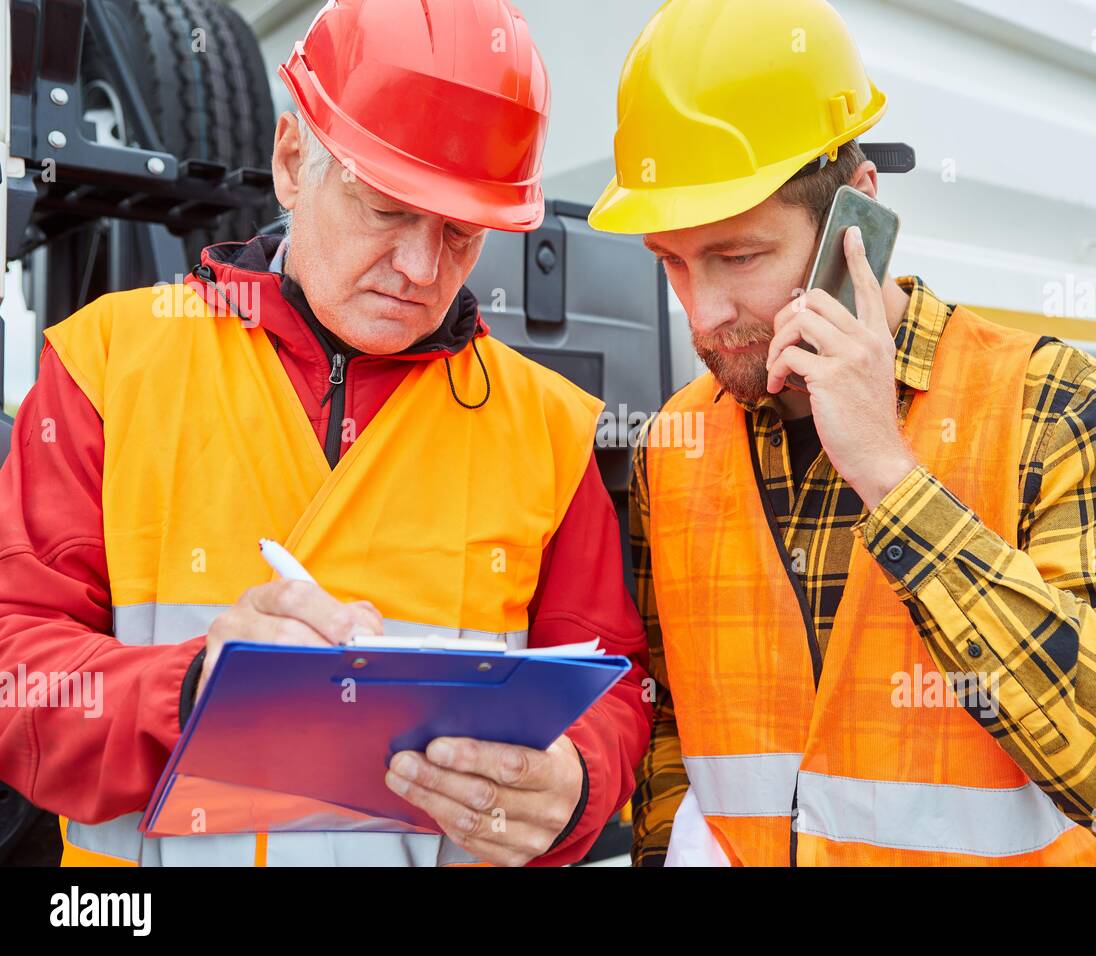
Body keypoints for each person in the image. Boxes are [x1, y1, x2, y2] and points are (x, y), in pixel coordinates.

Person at [0, 0, 650, 867]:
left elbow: (615, 688)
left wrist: (577, 783)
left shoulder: (550, 428)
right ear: (292, 159)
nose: (422, 270)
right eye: (386, 209)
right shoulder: (108, 365)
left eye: (462, 232)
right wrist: (190, 690)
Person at [588, 0, 1096, 866]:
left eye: (738, 258)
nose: (703, 313)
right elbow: (670, 754)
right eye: (670, 260)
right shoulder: (676, 444)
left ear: (857, 215)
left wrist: (894, 481)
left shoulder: (1055, 406)